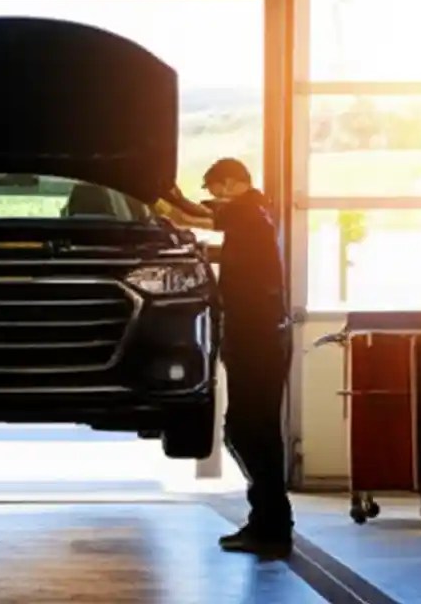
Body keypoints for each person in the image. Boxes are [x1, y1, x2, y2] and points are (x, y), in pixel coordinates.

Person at [155, 157, 294, 559]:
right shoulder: (255, 211)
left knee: (249, 430)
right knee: (254, 430)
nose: (213, 196)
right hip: (259, 338)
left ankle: (272, 524)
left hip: (258, 340)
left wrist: (160, 201)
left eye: (216, 187)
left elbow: (192, 218)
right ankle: (268, 521)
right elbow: (200, 213)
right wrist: (176, 197)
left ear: (233, 183)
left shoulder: (248, 213)